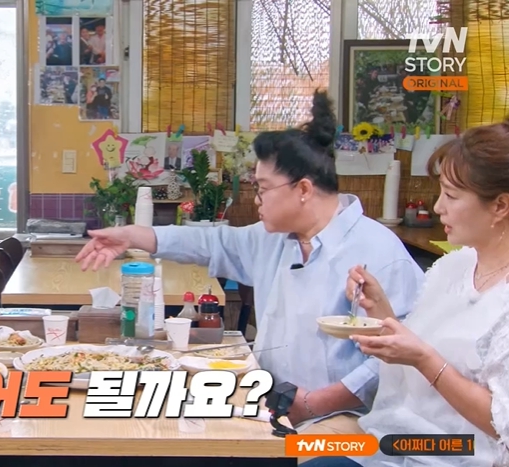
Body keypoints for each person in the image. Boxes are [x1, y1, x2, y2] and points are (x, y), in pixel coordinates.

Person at [74, 90, 425, 432]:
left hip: (345, 420)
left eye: (262, 188)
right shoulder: (274, 238)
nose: (256, 199)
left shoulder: (378, 252)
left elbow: (399, 355)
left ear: (303, 190)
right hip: (270, 402)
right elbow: (210, 242)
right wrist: (133, 235)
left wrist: (315, 403)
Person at [305, 120, 509, 467]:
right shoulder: (453, 266)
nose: (438, 207)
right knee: (295, 455)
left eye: (452, 196)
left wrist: (425, 360)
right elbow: (415, 347)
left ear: (500, 205)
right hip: (399, 438)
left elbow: (499, 423)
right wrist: (379, 310)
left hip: (460, 455)